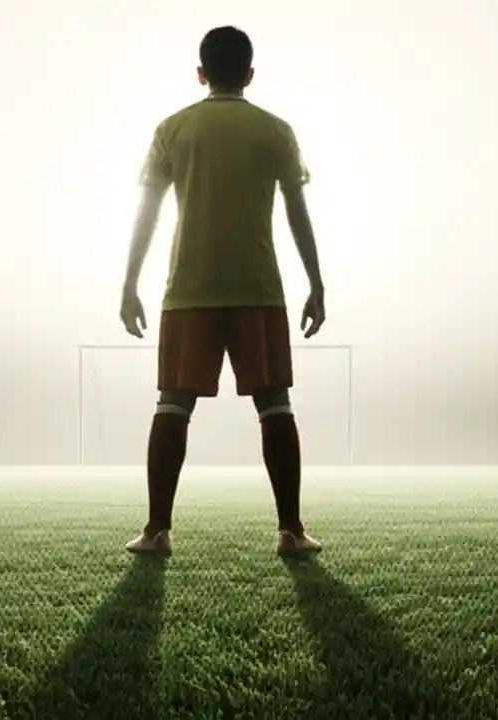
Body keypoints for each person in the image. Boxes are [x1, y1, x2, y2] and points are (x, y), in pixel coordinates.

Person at [119, 25, 326, 557]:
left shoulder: (173, 128)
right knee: (275, 404)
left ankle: (157, 531)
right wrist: (316, 282)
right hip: (258, 288)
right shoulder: (275, 130)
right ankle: (291, 531)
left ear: (201, 74)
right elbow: (297, 212)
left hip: (189, 288)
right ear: (250, 74)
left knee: (173, 403)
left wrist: (130, 282)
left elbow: (148, 212)